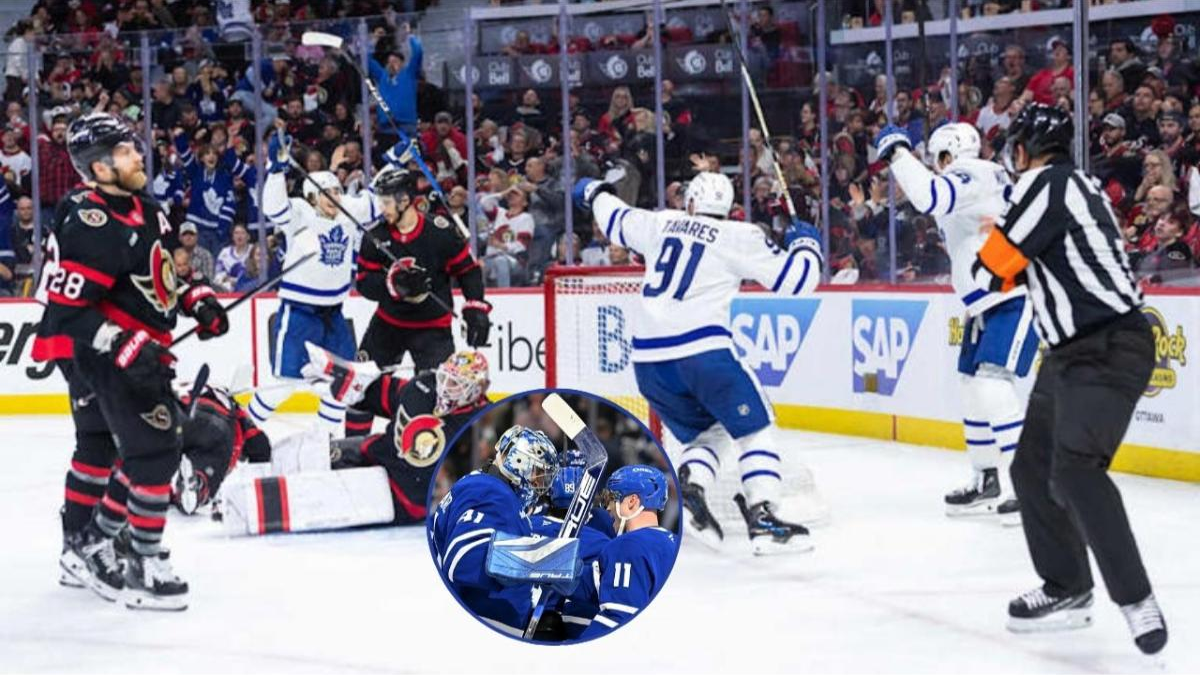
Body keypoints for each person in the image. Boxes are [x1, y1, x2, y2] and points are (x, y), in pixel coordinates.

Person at [970, 103, 1166, 655]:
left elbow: (992, 270)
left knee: (1077, 471)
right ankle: (1067, 586)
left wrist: (983, 233)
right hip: (1071, 354)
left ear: (1026, 149)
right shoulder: (1073, 184)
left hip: (1105, 348)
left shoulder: (1045, 184)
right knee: (1031, 466)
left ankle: (1135, 600)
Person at [32, 113, 228, 610]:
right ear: (98, 168)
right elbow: (66, 308)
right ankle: (86, 547)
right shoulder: (88, 216)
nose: (139, 155)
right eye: (125, 151)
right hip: (84, 343)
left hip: (129, 340)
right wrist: (121, 343)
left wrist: (197, 299)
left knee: (134, 447)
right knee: (105, 446)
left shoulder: (147, 208)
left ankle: (101, 541)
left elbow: (160, 278)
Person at [573, 171, 824, 555]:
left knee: (711, 433)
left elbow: (614, 217)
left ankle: (689, 490)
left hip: (649, 362)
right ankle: (764, 517)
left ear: (689, 203)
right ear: (728, 207)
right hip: (703, 353)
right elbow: (799, 280)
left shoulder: (661, 221)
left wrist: (595, 191)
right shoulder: (740, 235)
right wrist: (806, 242)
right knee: (756, 428)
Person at [875, 121, 1030, 520]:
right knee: (971, 386)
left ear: (947, 155)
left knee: (992, 384)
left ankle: (1031, 490)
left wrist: (897, 153)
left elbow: (929, 196)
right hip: (987, 302)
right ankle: (986, 479)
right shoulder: (984, 176)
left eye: (936, 158)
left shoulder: (973, 172)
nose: (935, 165)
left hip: (1012, 294)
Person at [245, 127, 374, 438]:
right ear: (313, 197)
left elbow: (376, 202)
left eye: (338, 193)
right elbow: (272, 208)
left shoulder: (348, 213)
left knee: (344, 380)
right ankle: (243, 431)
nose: (335, 199)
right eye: (327, 195)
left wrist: (395, 162)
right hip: (300, 312)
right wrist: (276, 171)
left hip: (333, 313)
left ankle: (330, 441)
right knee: (286, 384)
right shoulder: (300, 213)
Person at [344, 163, 489, 435]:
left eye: (386, 201)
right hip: (388, 325)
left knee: (438, 397)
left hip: (433, 330)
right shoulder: (376, 236)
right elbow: (364, 283)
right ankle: (351, 451)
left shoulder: (439, 232)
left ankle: (431, 455)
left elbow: (468, 271)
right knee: (359, 385)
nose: (382, 208)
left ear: (405, 200)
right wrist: (393, 284)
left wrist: (475, 307)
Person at [309, 347, 491, 523]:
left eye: (455, 383)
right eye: (444, 377)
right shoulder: (425, 385)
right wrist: (351, 384)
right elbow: (387, 394)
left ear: (476, 389)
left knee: (321, 496)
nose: (445, 387)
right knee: (315, 457)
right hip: (375, 453)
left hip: (402, 496)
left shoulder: (477, 425)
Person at [428, 425, 560, 637]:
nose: (540, 487)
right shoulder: (492, 491)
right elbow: (463, 558)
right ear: (519, 461)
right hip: (481, 626)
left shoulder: (485, 487)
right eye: (538, 475)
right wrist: (538, 562)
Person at [578, 465, 677, 640]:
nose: (607, 508)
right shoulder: (675, 542)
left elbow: (617, 619)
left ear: (632, 501)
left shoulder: (627, 546)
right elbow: (589, 585)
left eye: (611, 498)